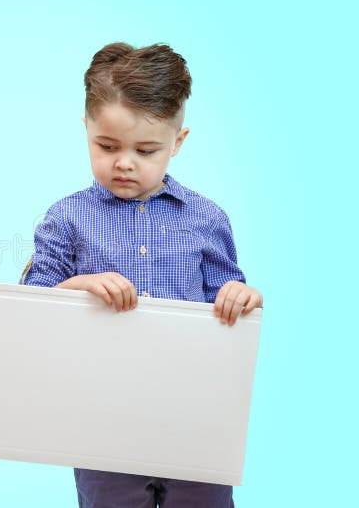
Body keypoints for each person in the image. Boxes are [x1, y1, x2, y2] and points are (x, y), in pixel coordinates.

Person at [21, 42, 263, 508]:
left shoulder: (207, 219)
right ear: (86, 130)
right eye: (107, 146)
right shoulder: (66, 218)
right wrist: (80, 286)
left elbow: (227, 303)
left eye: (146, 149)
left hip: (194, 416)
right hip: (102, 420)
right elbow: (32, 303)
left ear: (178, 141)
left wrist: (239, 295)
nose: (125, 162)